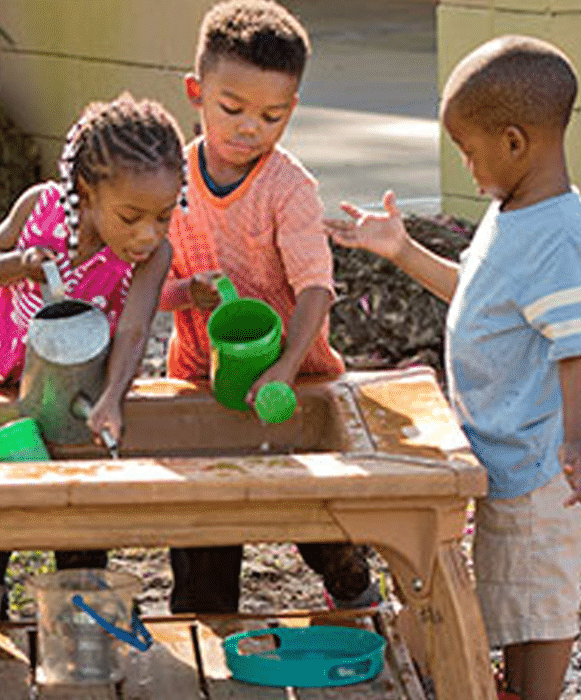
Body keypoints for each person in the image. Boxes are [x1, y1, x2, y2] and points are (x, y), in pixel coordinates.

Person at [328, 36, 581, 700]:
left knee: (540, 604)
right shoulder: (513, 210)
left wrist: (571, 444)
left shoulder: (558, 234)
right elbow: (479, 297)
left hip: (543, 469)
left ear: (515, 142)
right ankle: (514, 686)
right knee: (511, 595)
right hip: (512, 459)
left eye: (469, 150)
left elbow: (579, 346)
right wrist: (401, 250)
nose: (466, 162)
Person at [160, 0, 378, 614]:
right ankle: (206, 624)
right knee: (206, 524)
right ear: (196, 92)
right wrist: (186, 295)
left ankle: (355, 592)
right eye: (231, 109)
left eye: (272, 116)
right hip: (201, 377)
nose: (249, 127)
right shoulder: (168, 178)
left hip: (298, 377)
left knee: (317, 516)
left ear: (292, 111)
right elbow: (150, 288)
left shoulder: (289, 188)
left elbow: (315, 286)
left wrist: (283, 366)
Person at [0, 93, 186, 593]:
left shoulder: (150, 256)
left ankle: (80, 627)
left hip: (78, 397)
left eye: (164, 217)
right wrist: (20, 262)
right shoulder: (38, 205)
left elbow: (133, 327)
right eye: (131, 218)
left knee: (81, 533)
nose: (148, 233)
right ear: (86, 191)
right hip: (6, 392)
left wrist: (111, 397)